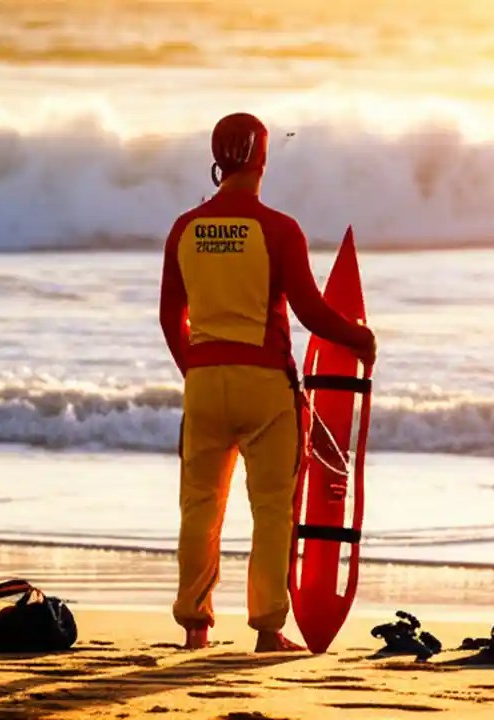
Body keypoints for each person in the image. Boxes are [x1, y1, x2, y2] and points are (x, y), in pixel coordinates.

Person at [159, 112, 377, 653]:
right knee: (273, 508)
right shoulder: (278, 229)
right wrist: (358, 337)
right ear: (261, 159)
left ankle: (195, 625)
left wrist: (197, 370)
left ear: (218, 161)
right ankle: (267, 629)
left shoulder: (184, 229)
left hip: (205, 382)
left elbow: (170, 317)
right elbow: (309, 311)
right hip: (265, 388)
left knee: (199, 505)